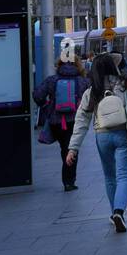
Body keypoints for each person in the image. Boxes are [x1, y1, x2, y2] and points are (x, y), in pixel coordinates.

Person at [66, 54, 127, 233]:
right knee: (123, 176)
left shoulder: (92, 91)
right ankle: (119, 211)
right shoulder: (124, 85)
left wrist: (73, 148)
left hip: (102, 136)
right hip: (122, 133)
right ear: (113, 67)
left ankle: (114, 212)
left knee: (109, 176)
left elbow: (81, 120)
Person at [32, 46, 90, 192]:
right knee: (71, 149)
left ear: (60, 63)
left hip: (55, 122)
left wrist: (46, 106)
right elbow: (90, 99)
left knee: (64, 148)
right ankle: (69, 181)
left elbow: (38, 95)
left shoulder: (52, 80)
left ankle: (67, 178)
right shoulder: (82, 81)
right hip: (74, 121)